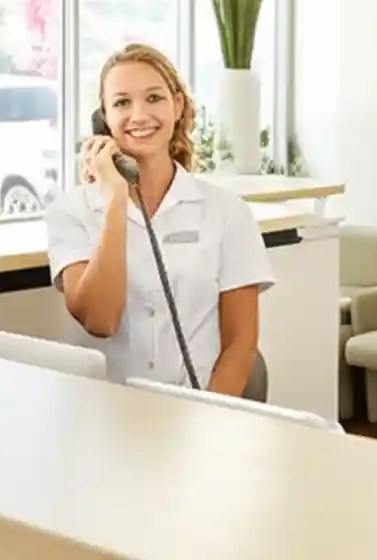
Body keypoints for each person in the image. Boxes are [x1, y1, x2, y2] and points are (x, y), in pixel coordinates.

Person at [44, 42, 273, 396]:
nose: (139, 115)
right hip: (105, 418)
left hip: (199, 417)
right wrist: (115, 202)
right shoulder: (70, 212)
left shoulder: (227, 212)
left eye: (154, 98)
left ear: (177, 105)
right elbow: (100, 320)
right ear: (103, 118)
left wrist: (211, 422)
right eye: (122, 102)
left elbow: (240, 343)